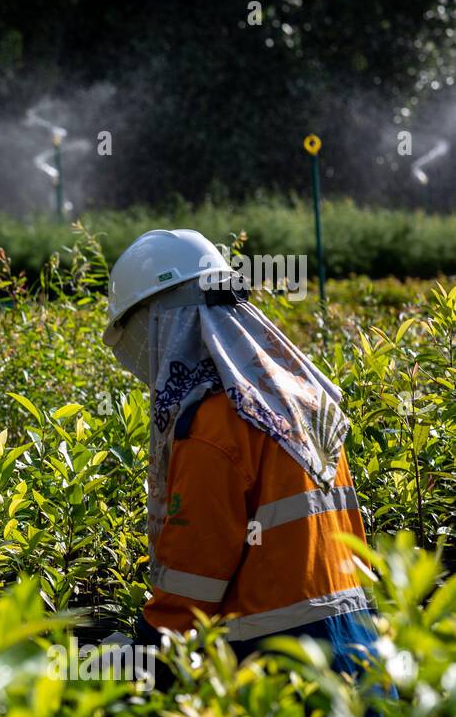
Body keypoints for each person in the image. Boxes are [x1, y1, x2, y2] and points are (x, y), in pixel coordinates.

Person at [103, 229, 388, 691]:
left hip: (283, 677)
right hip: (360, 656)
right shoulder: (296, 398)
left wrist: (144, 653)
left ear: (163, 323)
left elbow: (193, 581)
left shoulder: (212, 422)